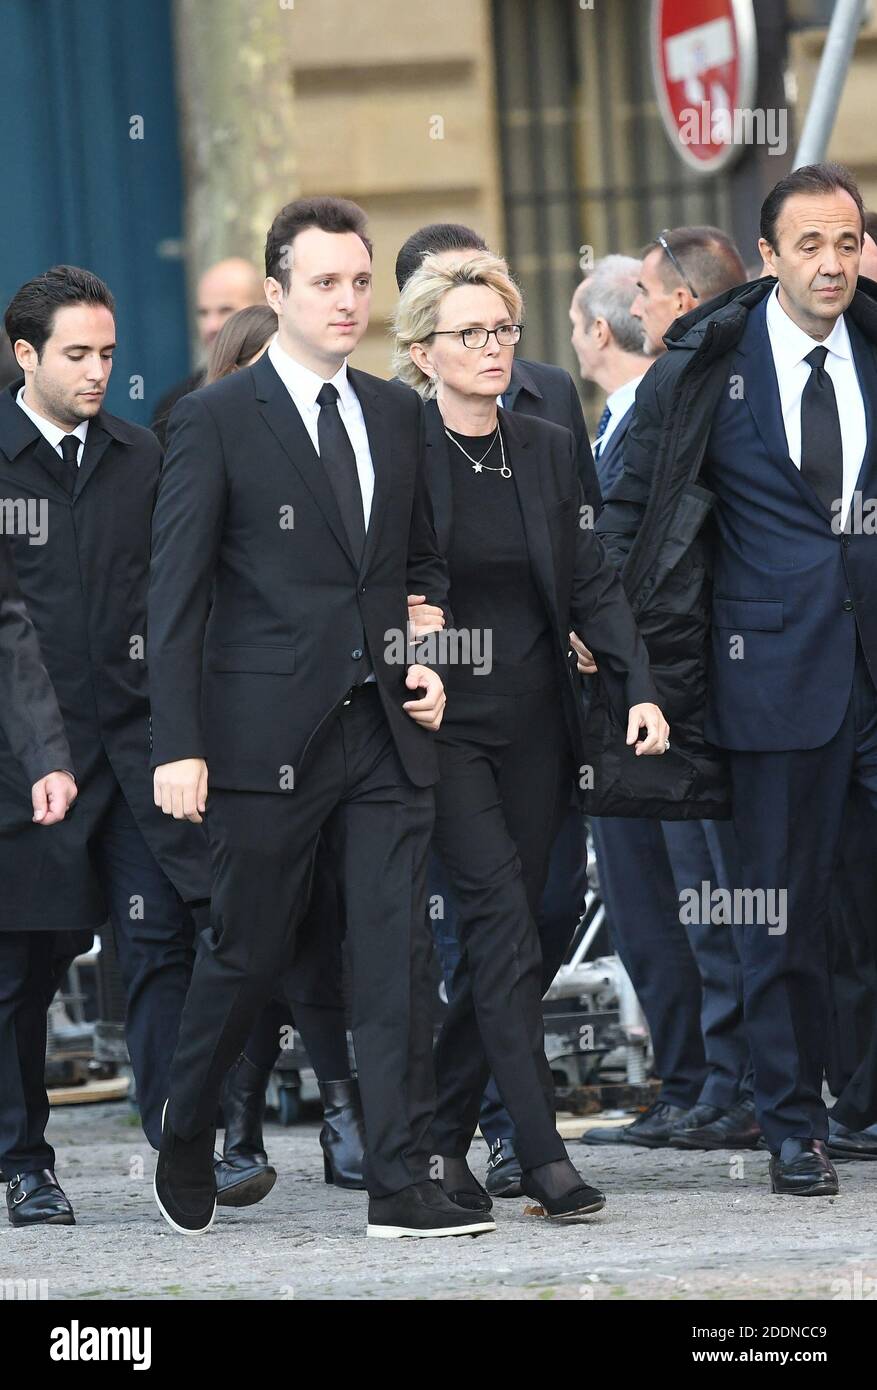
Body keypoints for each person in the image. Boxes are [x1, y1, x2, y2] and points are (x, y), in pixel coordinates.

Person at [148, 195, 493, 1240]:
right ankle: (184, 1124)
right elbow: (175, 597)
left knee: (392, 956)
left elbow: (420, 560)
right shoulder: (214, 420)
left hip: (384, 731)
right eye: (326, 282)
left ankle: (398, 1180)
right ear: (277, 292)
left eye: (359, 281)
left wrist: (424, 654)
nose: (348, 301)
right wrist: (179, 745)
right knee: (246, 952)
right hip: (261, 744)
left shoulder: (396, 412)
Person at [596, 162, 877, 1196]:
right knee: (780, 914)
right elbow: (632, 505)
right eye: (808, 244)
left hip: (874, 677)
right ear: (766, 257)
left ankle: (861, 1099)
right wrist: (614, 640)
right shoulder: (713, 363)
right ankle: (789, 1124)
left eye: (845, 243)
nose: (830, 263)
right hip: (770, 683)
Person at [392, 249, 669, 1222]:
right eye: (469, 333)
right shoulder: (396, 450)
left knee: (543, 921)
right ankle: (542, 1157)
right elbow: (362, 584)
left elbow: (590, 574)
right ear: (423, 349)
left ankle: (428, 1133)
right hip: (444, 731)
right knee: (501, 928)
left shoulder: (547, 445)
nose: (492, 347)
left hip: (543, 727)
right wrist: (401, 636)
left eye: (502, 329)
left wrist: (634, 682)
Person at [0, 265, 212, 1226]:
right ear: (25, 356)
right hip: (24, 762)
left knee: (161, 938)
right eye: (78, 355)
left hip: (137, 752)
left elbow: (179, 602)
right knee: (23, 965)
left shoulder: (141, 456)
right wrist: (40, 751)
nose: (98, 373)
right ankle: (22, 1161)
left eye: (109, 354)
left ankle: (177, 1142)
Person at [575, 232, 758, 1156]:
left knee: (719, 898)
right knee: (687, 899)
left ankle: (743, 1086)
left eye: (646, 292)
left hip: (693, 689)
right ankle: (709, 1082)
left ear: (683, 303)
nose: (632, 308)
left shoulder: (694, 402)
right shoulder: (657, 401)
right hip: (652, 691)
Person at [200, 304, 367, 1201]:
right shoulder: (201, 445)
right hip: (236, 741)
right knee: (255, 935)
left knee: (316, 932)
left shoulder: (346, 448)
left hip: (333, 731)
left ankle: (326, 1122)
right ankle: (240, 1127)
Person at [151, 257, 265, 446]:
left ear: (264, 307)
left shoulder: (297, 385)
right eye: (203, 313)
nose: (211, 326)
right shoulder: (176, 405)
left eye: (225, 310)